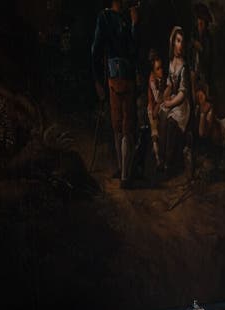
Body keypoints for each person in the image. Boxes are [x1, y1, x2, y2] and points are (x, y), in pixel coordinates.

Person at [91, 0, 139, 187]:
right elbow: (133, 51)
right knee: (124, 125)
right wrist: (135, 25)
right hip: (122, 78)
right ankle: (125, 176)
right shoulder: (110, 17)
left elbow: (96, 50)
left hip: (113, 77)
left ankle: (123, 171)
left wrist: (98, 80)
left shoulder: (106, 17)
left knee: (119, 125)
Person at [156, 26, 191, 173]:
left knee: (171, 123)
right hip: (173, 99)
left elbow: (183, 93)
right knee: (162, 115)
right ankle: (161, 159)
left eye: (182, 42)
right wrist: (165, 96)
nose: (180, 45)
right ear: (173, 43)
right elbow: (170, 84)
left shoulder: (184, 66)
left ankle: (169, 163)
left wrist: (170, 102)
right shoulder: (171, 63)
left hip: (182, 105)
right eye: (177, 41)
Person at [147, 53, 165, 169]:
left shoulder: (161, 79)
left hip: (159, 107)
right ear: (153, 71)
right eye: (158, 69)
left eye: (161, 67)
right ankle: (158, 160)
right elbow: (158, 98)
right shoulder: (153, 81)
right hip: (153, 108)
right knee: (155, 133)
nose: (161, 70)